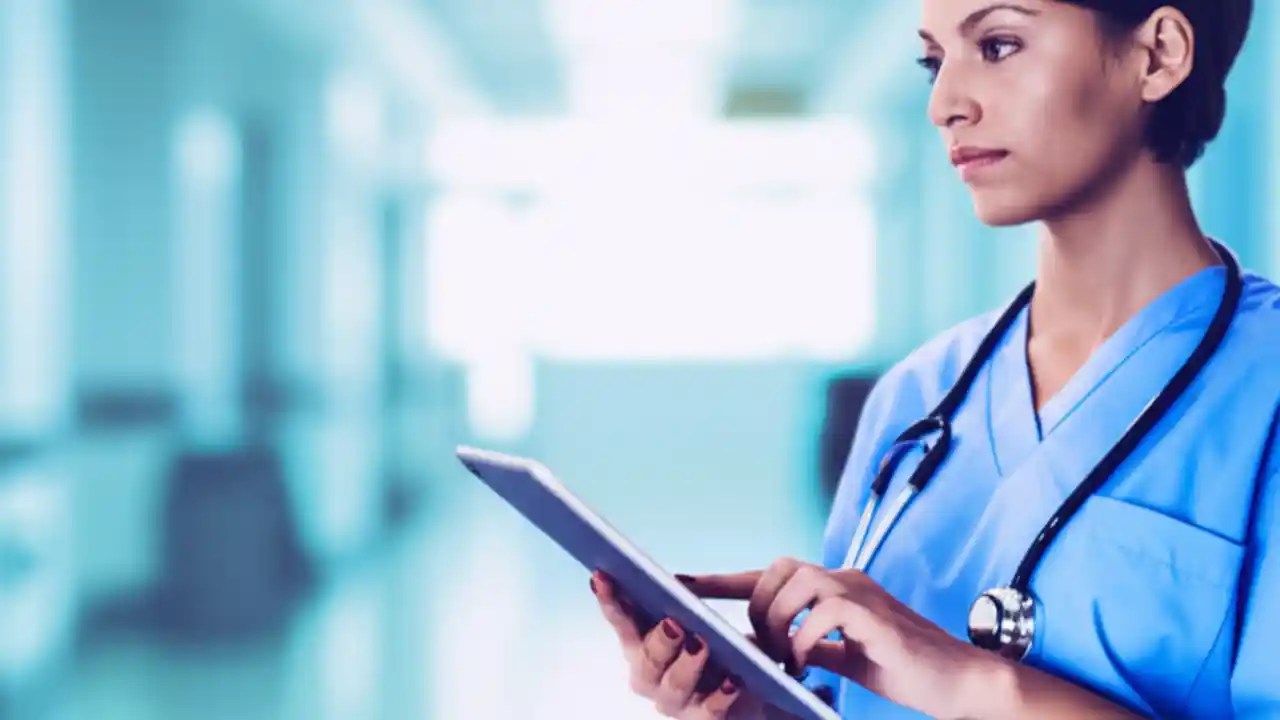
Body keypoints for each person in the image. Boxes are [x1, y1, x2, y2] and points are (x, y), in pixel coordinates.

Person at [590, 0, 1279, 717]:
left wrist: (970, 681)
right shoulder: (917, 397)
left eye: (1000, 44)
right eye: (933, 62)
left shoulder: (1263, 393)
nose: (945, 104)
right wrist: (753, 707)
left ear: (1159, 54)